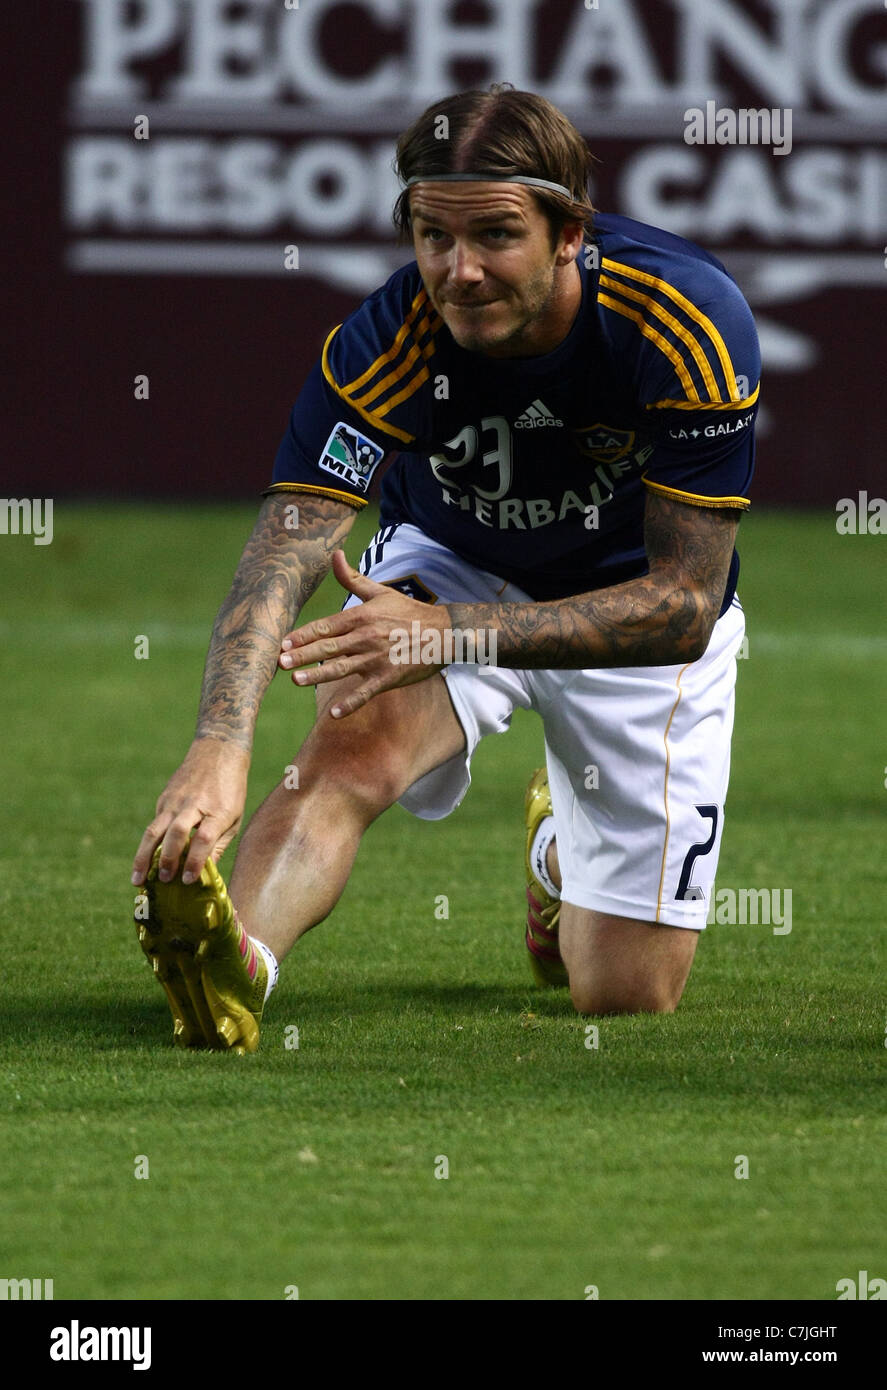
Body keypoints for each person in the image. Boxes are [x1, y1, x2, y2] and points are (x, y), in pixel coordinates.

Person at [131, 84, 760, 1053]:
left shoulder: (682, 317)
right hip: (455, 563)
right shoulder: (387, 337)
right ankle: (236, 964)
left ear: (567, 233)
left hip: (627, 599)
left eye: (496, 236)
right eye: (431, 236)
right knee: (353, 743)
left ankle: (558, 851)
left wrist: (450, 635)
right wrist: (220, 745)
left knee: (620, 994)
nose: (458, 272)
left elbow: (680, 605)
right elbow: (285, 548)